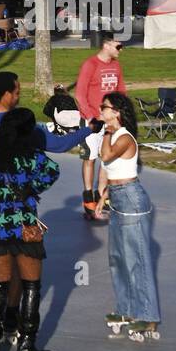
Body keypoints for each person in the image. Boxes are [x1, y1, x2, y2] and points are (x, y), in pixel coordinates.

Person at [0, 72, 94, 339]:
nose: (19, 94)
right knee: (16, 261)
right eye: (16, 90)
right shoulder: (27, 125)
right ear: (5, 94)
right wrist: (87, 131)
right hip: (20, 203)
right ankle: (10, 317)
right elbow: (58, 146)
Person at [0, 108, 59, 351]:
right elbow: (53, 171)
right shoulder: (32, 159)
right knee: (31, 286)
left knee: (0, 285)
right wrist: (31, 188)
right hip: (25, 231)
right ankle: (26, 350)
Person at [95, 93, 161, 342]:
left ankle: (147, 314)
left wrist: (106, 132)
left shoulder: (123, 137)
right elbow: (106, 170)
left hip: (132, 198)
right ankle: (126, 309)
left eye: (105, 108)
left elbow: (107, 156)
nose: (101, 110)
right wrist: (102, 196)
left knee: (137, 259)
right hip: (118, 197)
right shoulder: (110, 136)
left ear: (117, 112)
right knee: (117, 258)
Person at [75, 34, 127, 221]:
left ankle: (101, 195)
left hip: (110, 120)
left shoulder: (116, 66)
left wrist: (120, 113)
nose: (120, 50)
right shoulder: (91, 65)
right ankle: (88, 196)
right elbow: (80, 94)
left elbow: (121, 91)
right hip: (92, 120)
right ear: (106, 45)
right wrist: (92, 116)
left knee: (107, 158)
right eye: (117, 46)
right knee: (90, 157)